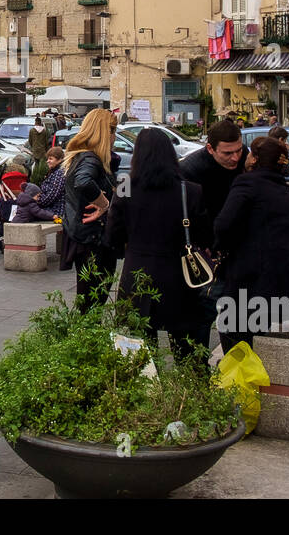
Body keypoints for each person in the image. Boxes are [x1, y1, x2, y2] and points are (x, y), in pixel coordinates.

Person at [106, 128, 214, 358]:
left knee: (139, 354)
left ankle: (148, 390)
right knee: (186, 350)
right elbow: (205, 236)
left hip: (137, 275)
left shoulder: (125, 186)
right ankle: (189, 391)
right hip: (179, 277)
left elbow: (113, 233)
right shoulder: (190, 190)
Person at [214, 136, 289, 352]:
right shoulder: (281, 186)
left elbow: (223, 225)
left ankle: (241, 381)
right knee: (253, 327)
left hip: (254, 274)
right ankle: (253, 376)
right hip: (286, 275)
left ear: (255, 160)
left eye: (250, 152)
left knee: (231, 327)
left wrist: (220, 247)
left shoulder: (247, 182)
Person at [61, 108, 119, 312]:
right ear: (105, 132)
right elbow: (82, 182)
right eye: (114, 130)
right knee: (91, 303)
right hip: (93, 240)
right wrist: (104, 203)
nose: (115, 136)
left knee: (89, 302)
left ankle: (85, 340)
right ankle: (84, 342)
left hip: (85, 239)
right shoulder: (90, 158)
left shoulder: (82, 157)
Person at [179, 118, 246, 225]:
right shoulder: (190, 170)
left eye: (239, 150)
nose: (236, 158)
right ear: (210, 149)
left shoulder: (245, 155)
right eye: (227, 153)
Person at [33, 146, 67, 220]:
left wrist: (37, 201)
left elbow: (52, 195)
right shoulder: (54, 171)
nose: (47, 161)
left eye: (51, 159)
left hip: (55, 212)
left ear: (59, 160)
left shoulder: (59, 173)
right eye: (47, 158)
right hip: (50, 209)